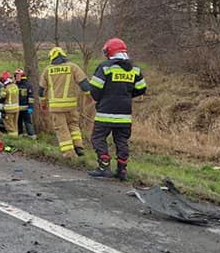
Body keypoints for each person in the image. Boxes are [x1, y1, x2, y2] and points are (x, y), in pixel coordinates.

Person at [87, 37, 147, 180]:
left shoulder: (105, 67)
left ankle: (104, 166)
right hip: (125, 113)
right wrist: (126, 96)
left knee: (98, 138)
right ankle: (122, 170)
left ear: (109, 52)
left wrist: (101, 99)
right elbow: (141, 88)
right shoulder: (135, 69)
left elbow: (94, 89)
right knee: (121, 141)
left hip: (105, 112)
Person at [38, 46, 90, 158]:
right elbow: (85, 84)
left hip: (56, 107)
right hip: (71, 105)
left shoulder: (47, 70)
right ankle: (79, 147)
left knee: (62, 129)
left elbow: (41, 90)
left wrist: (43, 104)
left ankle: (69, 154)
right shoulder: (73, 67)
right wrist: (90, 97)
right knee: (74, 125)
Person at [15, 69, 35, 137]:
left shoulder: (28, 85)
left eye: (16, 75)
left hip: (26, 108)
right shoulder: (16, 85)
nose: (15, 77)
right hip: (17, 108)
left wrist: (30, 107)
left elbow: (31, 98)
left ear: (20, 76)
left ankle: (31, 135)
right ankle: (20, 134)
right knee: (18, 122)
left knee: (28, 122)